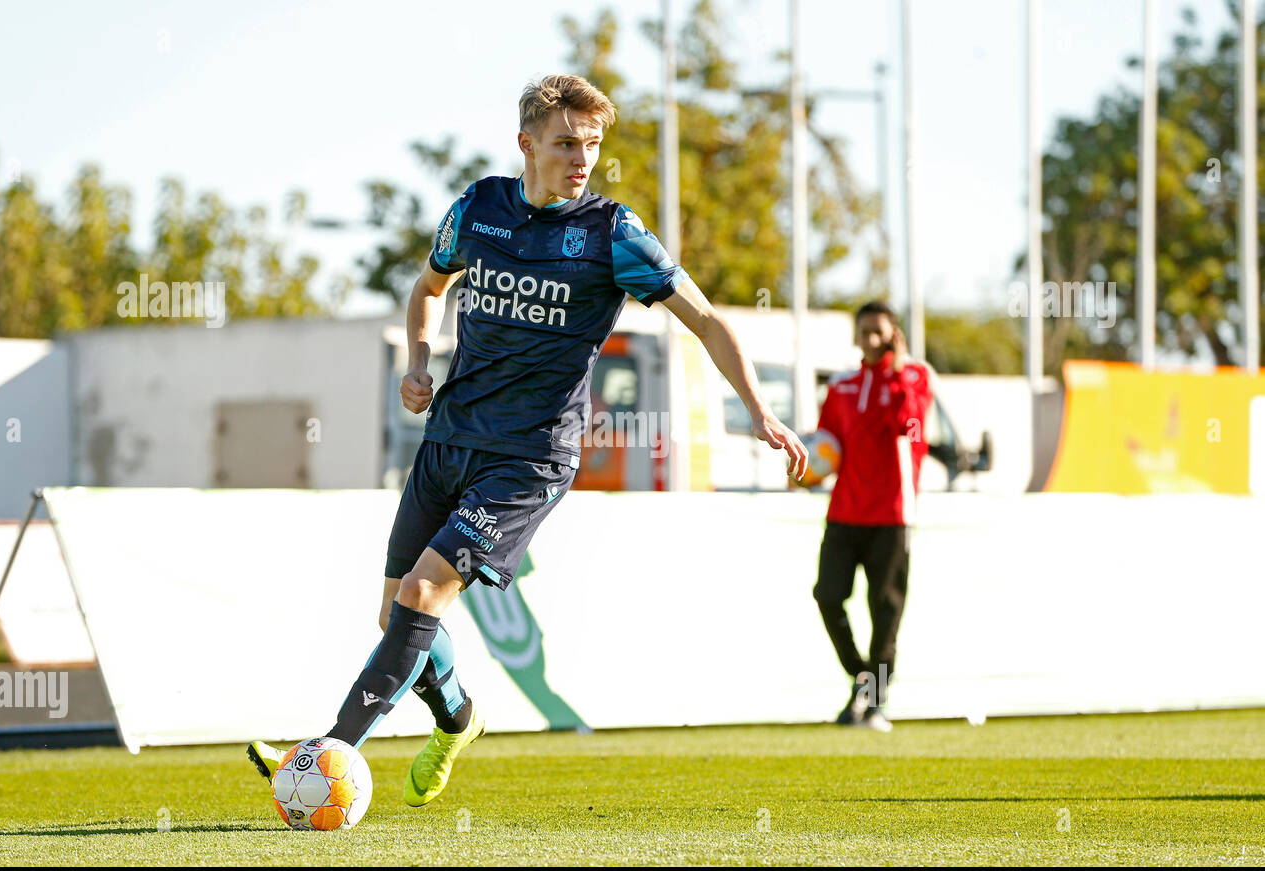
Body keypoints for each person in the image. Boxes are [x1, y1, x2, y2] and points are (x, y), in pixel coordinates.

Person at [247, 74, 806, 804]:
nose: (583, 158)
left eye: (593, 145)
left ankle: (324, 754)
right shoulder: (478, 209)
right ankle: (459, 716)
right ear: (527, 144)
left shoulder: (614, 234)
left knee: (421, 593)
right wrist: (417, 364)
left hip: (530, 456)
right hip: (450, 435)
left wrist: (759, 410)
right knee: (397, 617)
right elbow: (427, 289)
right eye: (568, 143)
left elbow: (704, 319)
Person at [811, 302, 932, 732]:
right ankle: (863, 679)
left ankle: (876, 704)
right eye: (864, 332)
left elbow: (909, 426)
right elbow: (827, 446)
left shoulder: (915, 378)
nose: (871, 339)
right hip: (844, 513)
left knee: (885, 611)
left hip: (893, 514)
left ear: (894, 334)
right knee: (827, 595)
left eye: (879, 332)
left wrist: (897, 370)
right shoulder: (841, 386)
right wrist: (807, 470)